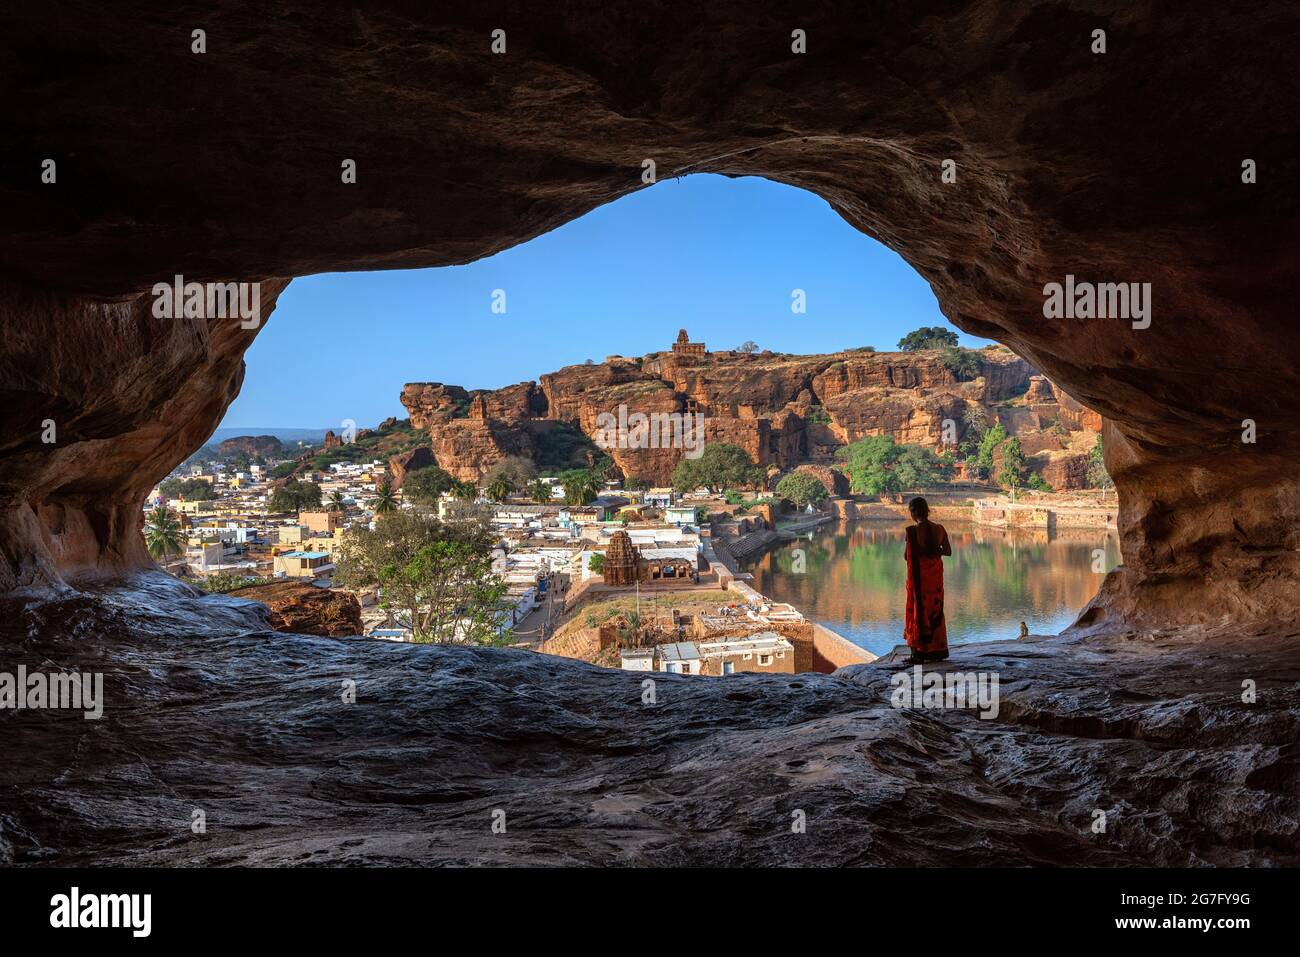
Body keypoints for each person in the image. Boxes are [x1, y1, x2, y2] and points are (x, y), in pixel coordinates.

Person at [903, 496, 951, 664]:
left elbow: (906, 557)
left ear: (914, 512)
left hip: (919, 581)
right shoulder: (939, 529)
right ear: (927, 510)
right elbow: (947, 551)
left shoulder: (912, 532)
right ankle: (937, 651)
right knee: (935, 611)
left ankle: (918, 654)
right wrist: (934, 550)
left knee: (918, 611)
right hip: (935, 580)